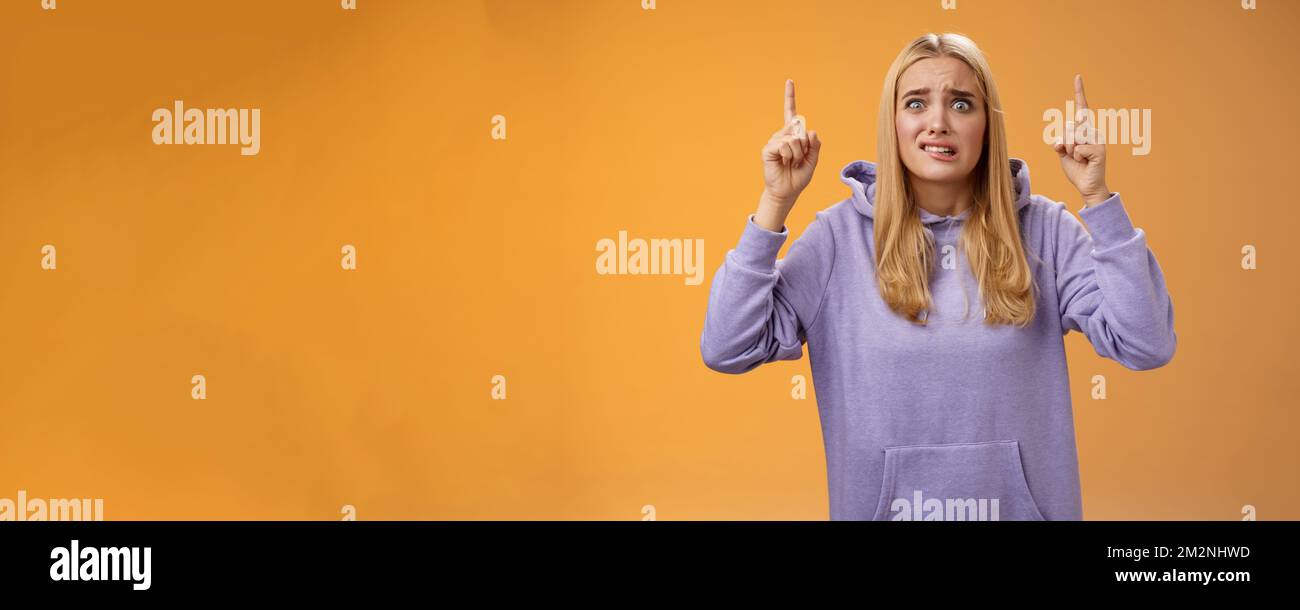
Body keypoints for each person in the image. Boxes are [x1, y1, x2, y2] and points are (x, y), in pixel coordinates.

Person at [699, 32, 1176, 520]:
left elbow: (1146, 343)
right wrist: (774, 204)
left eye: (962, 104)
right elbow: (728, 347)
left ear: (987, 126)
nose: (938, 123)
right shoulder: (836, 240)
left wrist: (1098, 200)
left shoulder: (1046, 231)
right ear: (894, 123)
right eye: (916, 103)